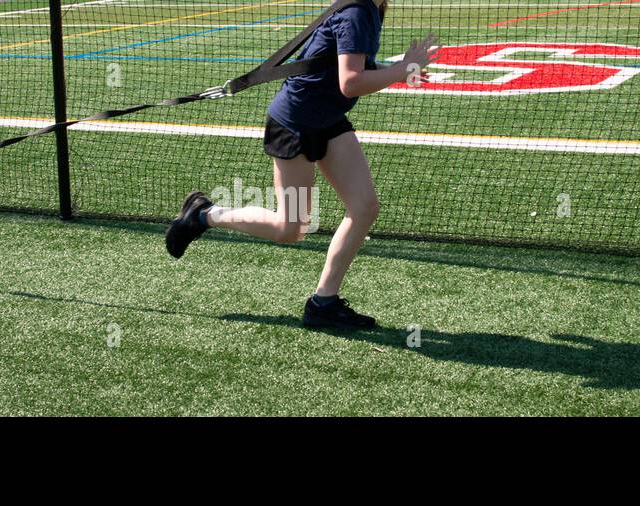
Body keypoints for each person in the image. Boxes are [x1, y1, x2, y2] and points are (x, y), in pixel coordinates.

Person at [165, 0, 438, 329]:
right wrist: (401, 71)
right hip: (294, 123)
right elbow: (350, 82)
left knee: (364, 207)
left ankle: (323, 303)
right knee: (290, 228)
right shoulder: (357, 10)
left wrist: (399, 67)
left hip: (327, 119)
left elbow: (347, 65)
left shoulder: (371, 7)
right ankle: (204, 214)